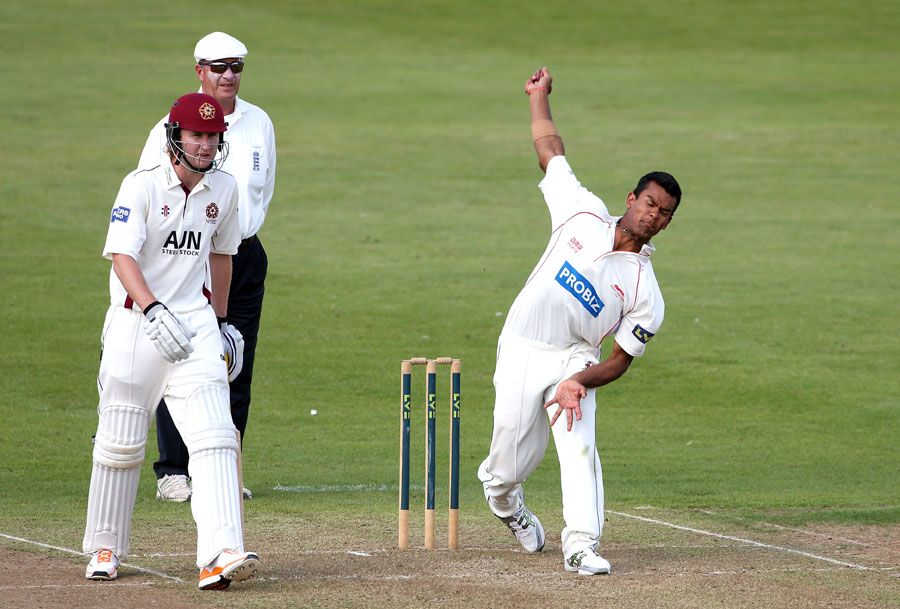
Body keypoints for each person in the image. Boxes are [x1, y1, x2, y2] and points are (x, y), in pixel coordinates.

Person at [477, 67, 681, 576]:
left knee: (579, 440)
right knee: (505, 469)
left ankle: (581, 544)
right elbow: (550, 150)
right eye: (650, 203)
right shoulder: (581, 212)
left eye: (664, 213)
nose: (653, 215)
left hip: (574, 359)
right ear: (632, 199)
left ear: (668, 223)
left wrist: (576, 381)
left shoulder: (645, 291)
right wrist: (538, 97)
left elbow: (619, 361)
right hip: (522, 345)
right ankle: (509, 506)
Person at [83, 92, 260, 590]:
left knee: (216, 437)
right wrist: (151, 307)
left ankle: (221, 552)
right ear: (175, 138)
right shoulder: (140, 186)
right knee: (120, 442)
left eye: (212, 136)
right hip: (136, 323)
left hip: (195, 325)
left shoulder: (224, 189)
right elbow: (121, 255)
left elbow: (223, 255)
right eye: (196, 135)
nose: (205, 145)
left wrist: (223, 323)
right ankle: (105, 545)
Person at [138, 32, 276, 502]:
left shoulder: (258, 123)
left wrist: (241, 239)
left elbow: (262, 191)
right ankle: (173, 470)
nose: (229, 75)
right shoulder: (170, 126)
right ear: (199, 70)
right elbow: (149, 193)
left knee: (234, 360)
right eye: (218, 67)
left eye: (236, 66)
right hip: (185, 254)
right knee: (178, 354)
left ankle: (225, 467)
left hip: (243, 253)